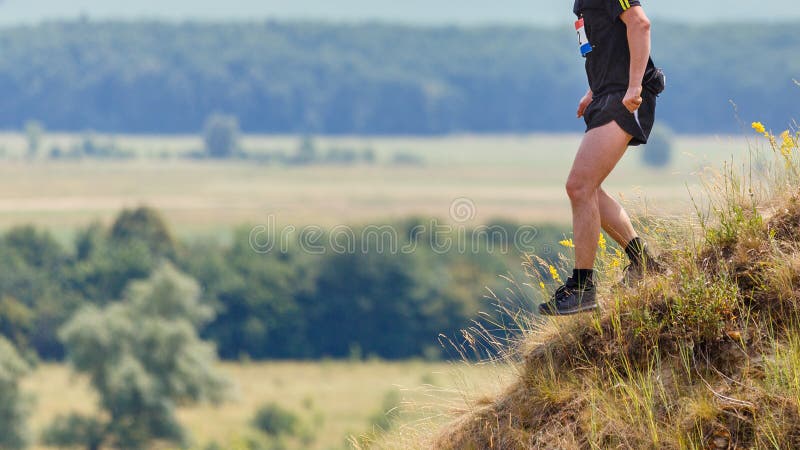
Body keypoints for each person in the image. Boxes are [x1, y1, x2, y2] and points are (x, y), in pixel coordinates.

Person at [539, 0, 665, 316]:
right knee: (588, 189)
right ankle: (645, 264)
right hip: (607, 94)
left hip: (625, 96)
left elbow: (640, 24)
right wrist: (593, 91)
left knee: (579, 187)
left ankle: (583, 287)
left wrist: (634, 86)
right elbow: (609, 47)